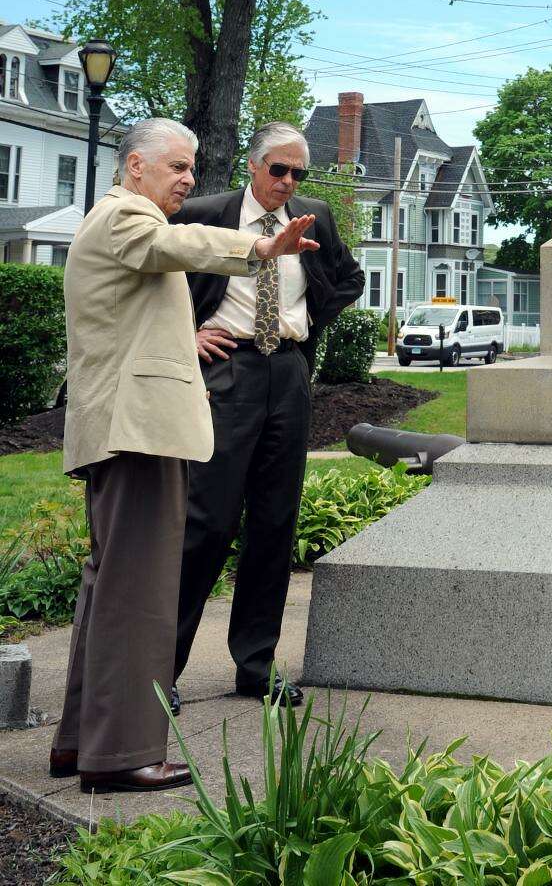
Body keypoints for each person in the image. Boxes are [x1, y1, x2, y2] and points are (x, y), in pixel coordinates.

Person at [51, 118, 317, 793]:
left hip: (131, 431)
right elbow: (180, 244)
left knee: (111, 592)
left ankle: (82, 742)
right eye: (177, 167)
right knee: (139, 596)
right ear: (135, 166)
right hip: (136, 433)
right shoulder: (123, 216)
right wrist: (260, 248)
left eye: (193, 169)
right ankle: (119, 756)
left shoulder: (122, 221)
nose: (189, 179)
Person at [169, 122, 364, 709]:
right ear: (253, 167)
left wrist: (305, 329)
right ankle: (159, 670)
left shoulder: (314, 217)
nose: (288, 182)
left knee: (275, 522)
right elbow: (150, 281)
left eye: (298, 173)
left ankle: (255, 667)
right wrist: (185, 333)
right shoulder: (203, 214)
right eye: (278, 170)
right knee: (207, 520)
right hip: (226, 370)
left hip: (287, 374)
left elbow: (347, 279)